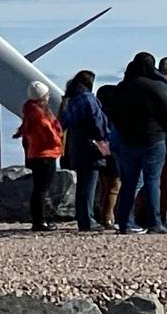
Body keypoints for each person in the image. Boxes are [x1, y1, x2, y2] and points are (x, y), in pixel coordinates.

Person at [108, 53, 167, 234]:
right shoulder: (158, 87)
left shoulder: (123, 87)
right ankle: (155, 222)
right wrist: (166, 131)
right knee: (152, 181)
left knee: (129, 182)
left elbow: (112, 112)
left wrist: (124, 129)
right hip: (153, 139)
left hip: (128, 140)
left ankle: (124, 223)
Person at [59, 70, 110, 232]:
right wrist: (104, 137)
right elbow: (96, 121)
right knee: (89, 184)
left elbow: (64, 122)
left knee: (82, 185)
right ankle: (88, 220)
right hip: (90, 145)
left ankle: (83, 218)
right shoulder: (88, 99)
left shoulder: (70, 100)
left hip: (76, 145)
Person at [135, 56, 167, 224]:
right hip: (161, 140)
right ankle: (157, 218)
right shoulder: (163, 89)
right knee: (160, 181)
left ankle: (140, 216)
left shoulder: (143, 86)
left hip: (141, 139)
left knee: (145, 180)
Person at [14, 81, 63, 232]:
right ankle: (39, 221)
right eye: (46, 95)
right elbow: (50, 134)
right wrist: (59, 139)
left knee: (38, 189)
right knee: (42, 189)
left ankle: (39, 219)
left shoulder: (29, 111)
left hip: (35, 154)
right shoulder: (40, 115)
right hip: (46, 154)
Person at [94, 84, 121, 228]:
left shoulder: (99, 114)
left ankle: (104, 215)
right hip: (112, 152)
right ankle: (108, 217)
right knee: (114, 186)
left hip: (102, 152)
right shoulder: (112, 115)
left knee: (105, 186)